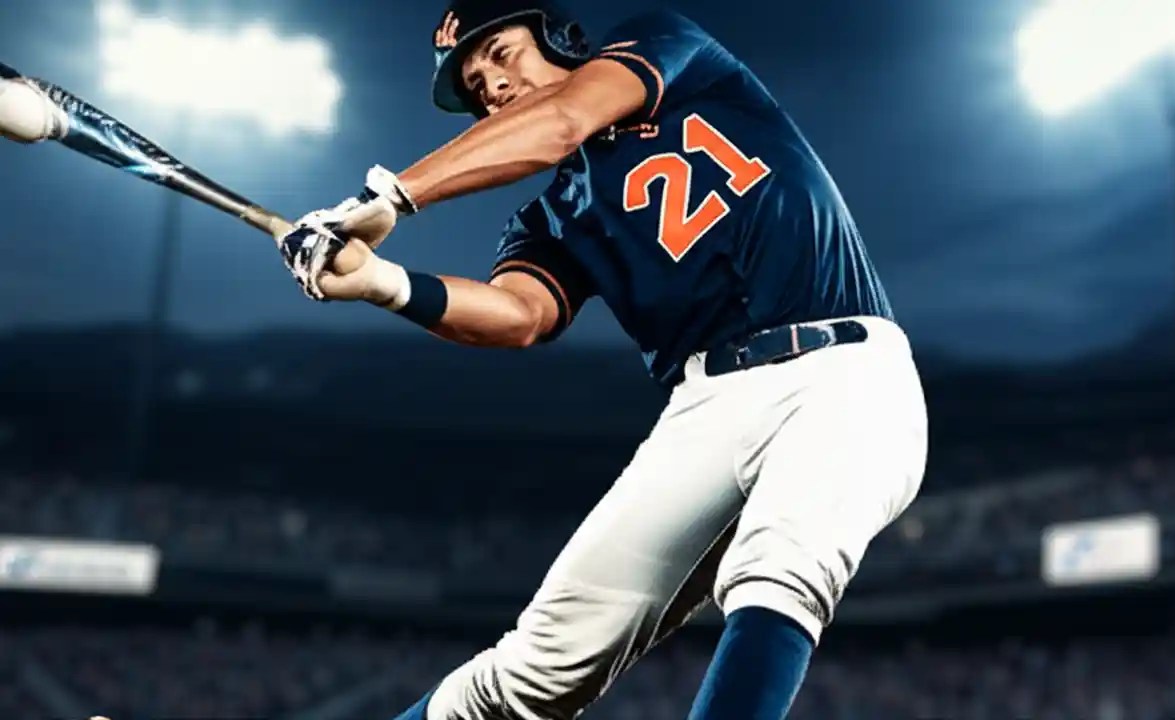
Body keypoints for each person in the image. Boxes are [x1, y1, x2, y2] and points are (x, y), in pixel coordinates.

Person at [276, 1, 928, 718]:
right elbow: (521, 315)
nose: (488, 83)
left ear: (556, 33)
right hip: (705, 403)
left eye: (498, 51)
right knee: (532, 671)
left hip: (840, 367)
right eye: (472, 82)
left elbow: (562, 123)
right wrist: (385, 283)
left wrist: (394, 195)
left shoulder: (666, 48)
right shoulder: (551, 216)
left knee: (780, 572)